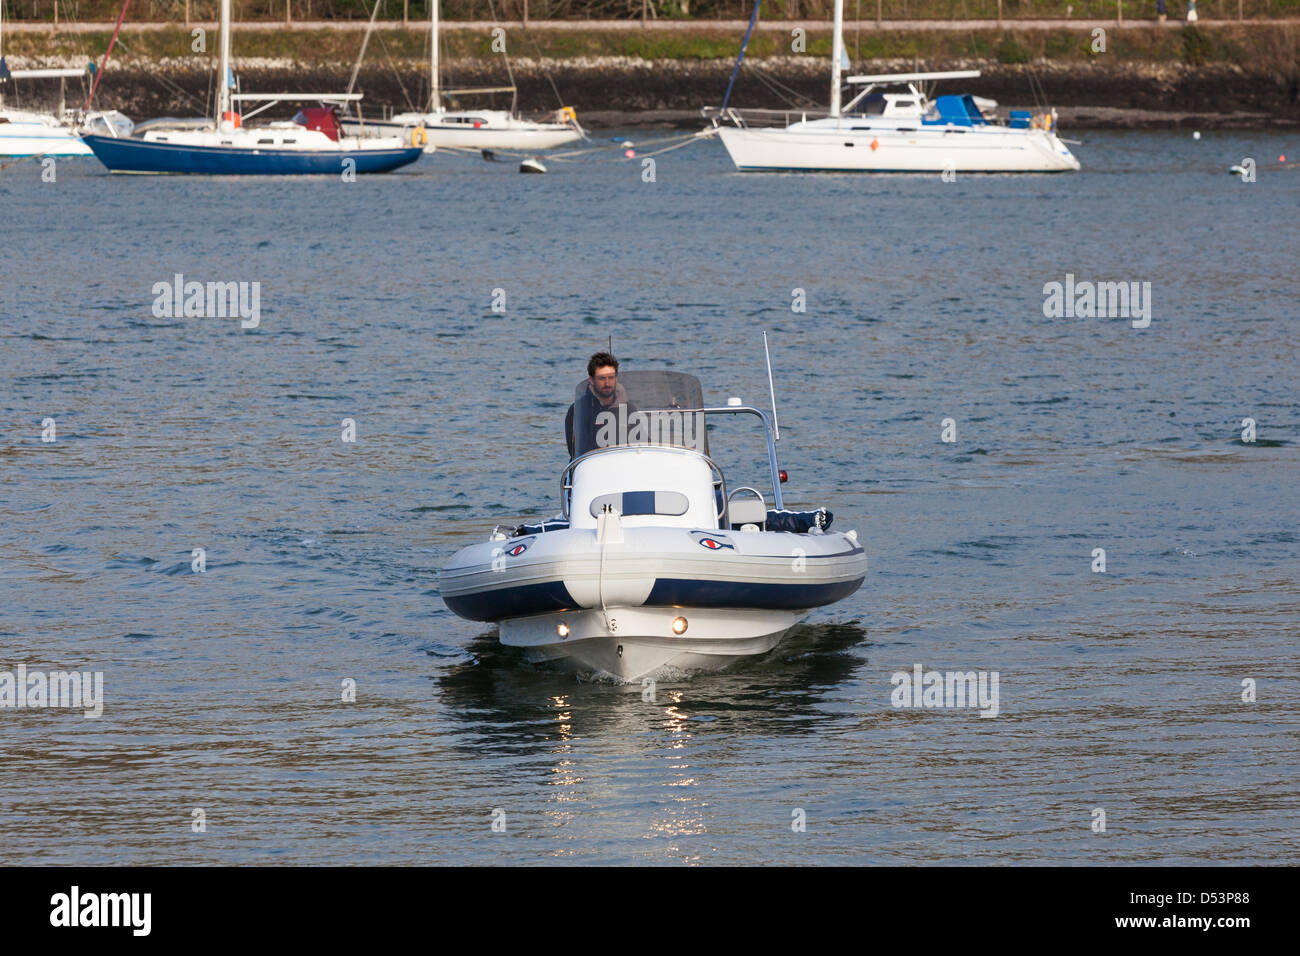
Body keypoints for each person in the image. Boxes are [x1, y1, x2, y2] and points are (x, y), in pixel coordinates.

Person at [565, 351, 631, 459]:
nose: (607, 383)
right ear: (591, 380)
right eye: (602, 378)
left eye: (611, 377)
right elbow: (575, 452)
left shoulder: (629, 410)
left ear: (616, 378)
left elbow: (644, 443)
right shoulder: (578, 411)